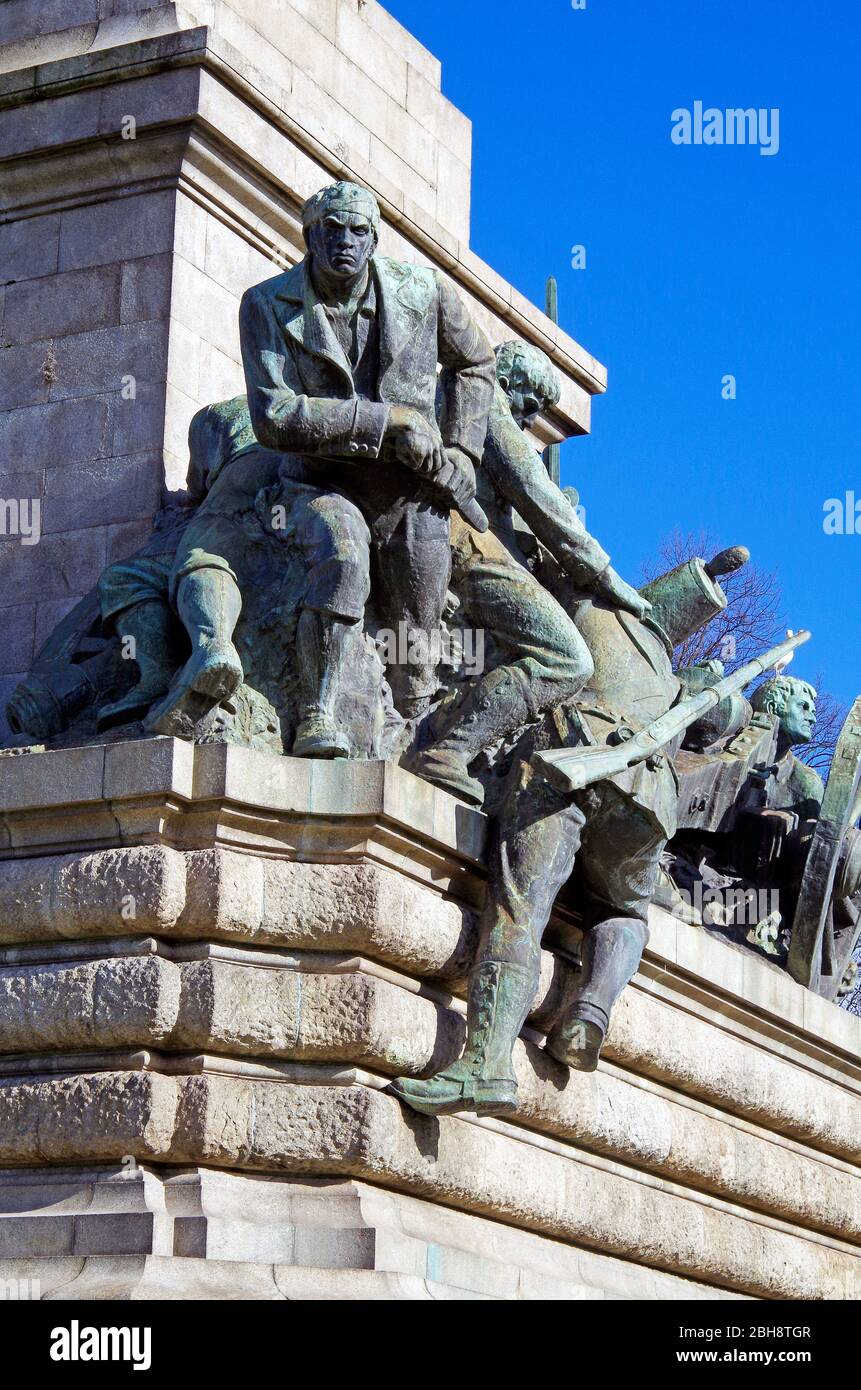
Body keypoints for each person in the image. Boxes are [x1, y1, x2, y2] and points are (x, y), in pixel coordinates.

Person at [239, 180, 495, 756]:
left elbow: (477, 362)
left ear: (376, 238)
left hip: (411, 496)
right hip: (318, 485)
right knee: (344, 555)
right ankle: (316, 714)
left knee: (418, 634)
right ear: (309, 236)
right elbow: (275, 418)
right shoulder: (265, 304)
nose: (346, 243)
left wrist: (462, 452)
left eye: (359, 231)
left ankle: (412, 748)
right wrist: (385, 423)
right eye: (332, 231)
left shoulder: (422, 290)